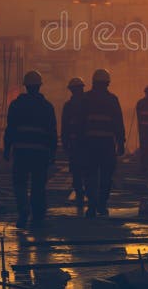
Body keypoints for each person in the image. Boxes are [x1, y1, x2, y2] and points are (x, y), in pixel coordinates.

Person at [3, 70, 57, 228]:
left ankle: (23, 210)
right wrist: (52, 152)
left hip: (21, 152)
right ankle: (37, 214)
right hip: (40, 153)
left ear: (26, 86)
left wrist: (7, 149)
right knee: (38, 184)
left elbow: (10, 130)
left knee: (20, 183)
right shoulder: (47, 107)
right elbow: (52, 133)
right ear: (39, 86)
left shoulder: (16, 105)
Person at [81, 68, 125, 218]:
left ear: (93, 82)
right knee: (106, 176)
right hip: (106, 144)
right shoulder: (112, 100)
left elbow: (79, 123)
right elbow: (118, 123)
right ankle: (101, 204)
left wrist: (78, 144)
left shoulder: (85, 99)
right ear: (107, 83)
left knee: (90, 175)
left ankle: (92, 205)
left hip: (90, 145)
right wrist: (121, 142)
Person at [61, 77, 86, 214]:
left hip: (79, 144)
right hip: (80, 144)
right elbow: (65, 127)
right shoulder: (87, 104)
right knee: (81, 170)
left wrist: (65, 143)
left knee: (79, 170)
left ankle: (81, 193)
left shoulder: (69, 106)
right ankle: (82, 193)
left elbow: (64, 127)